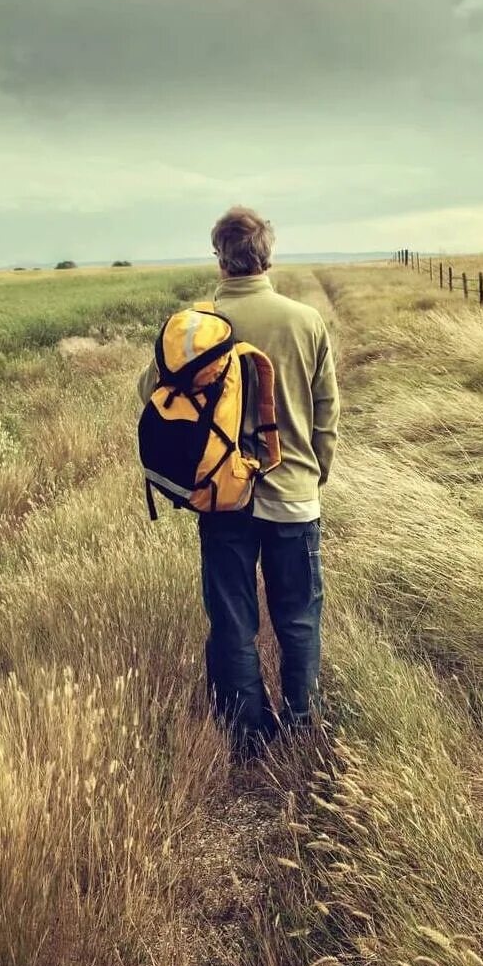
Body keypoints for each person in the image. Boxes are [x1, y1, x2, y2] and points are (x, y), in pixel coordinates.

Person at [139, 207, 339, 757]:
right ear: (267, 254)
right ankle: (302, 726)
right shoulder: (305, 320)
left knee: (232, 620)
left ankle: (247, 735)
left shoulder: (195, 327)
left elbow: (151, 396)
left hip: (221, 498)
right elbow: (327, 414)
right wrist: (312, 474)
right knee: (297, 616)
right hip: (293, 495)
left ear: (219, 256)